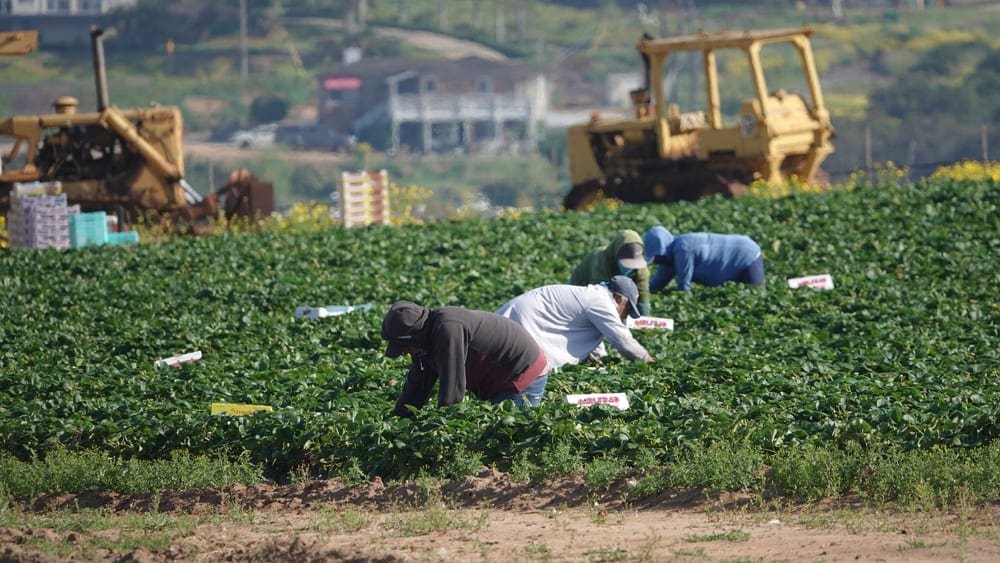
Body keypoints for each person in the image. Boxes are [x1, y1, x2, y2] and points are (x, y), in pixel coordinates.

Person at [381, 300, 549, 418]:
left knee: (501, 440)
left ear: (414, 337)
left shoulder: (447, 328)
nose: (404, 353)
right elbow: (418, 385)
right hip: (499, 382)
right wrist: (398, 420)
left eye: (404, 347)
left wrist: (444, 427)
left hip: (521, 377)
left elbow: (452, 389)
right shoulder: (425, 342)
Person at [497, 275, 654, 373]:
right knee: (523, 366)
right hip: (526, 318)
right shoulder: (600, 302)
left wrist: (600, 362)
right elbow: (623, 340)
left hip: (523, 312)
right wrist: (648, 360)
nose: (623, 316)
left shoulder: (594, 296)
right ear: (619, 299)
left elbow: (593, 337)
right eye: (626, 310)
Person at [643, 226, 765, 292]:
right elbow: (658, 282)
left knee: (756, 293)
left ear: (662, 251)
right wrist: (640, 293)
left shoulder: (683, 249)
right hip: (736, 258)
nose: (656, 262)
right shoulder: (669, 257)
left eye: (656, 257)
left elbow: (684, 285)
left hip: (747, 254)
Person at [569, 229, 652, 315]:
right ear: (616, 254)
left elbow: (643, 295)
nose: (630, 266)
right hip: (580, 289)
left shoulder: (640, 267)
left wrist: (643, 318)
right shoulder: (600, 261)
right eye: (626, 262)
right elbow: (597, 296)